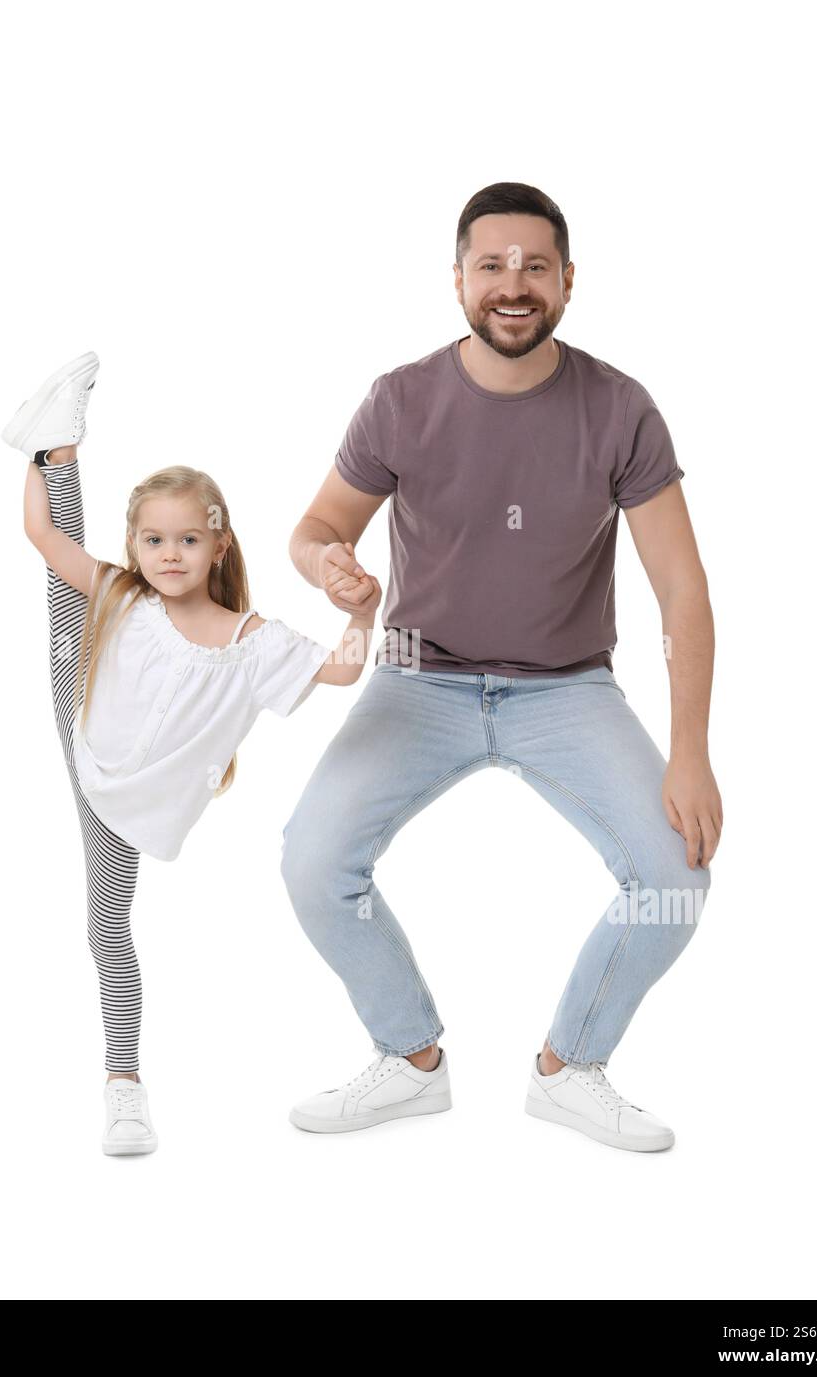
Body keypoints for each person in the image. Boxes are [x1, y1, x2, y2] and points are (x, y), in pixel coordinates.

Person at [281, 182, 722, 1152]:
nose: (511, 286)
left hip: (565, 688)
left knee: (671, 877)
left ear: (566, 282)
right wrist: (331, 567)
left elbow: (681, 594)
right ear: (456, 282)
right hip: (416, 679)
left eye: (534, 267)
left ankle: (569, 1066)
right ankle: (409, 1059)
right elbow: (314, 529)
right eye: (491, 266)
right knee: (312, 863)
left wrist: (688, 750)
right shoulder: (399, 400)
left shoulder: (620, 409)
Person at [3, 352, 381, 1157]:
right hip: (85, 694)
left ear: (216, 546)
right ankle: (124, 1087)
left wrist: (364, 606)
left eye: (184, 539)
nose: (167, 553)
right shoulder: (123, 591)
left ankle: (52, 444)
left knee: (110, 922)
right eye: (150, 538)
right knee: (108, 922)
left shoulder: (253, 643)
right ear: (135, 545)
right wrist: (39, 467)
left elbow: (346, 669)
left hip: (132, 780)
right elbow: (40, 534)